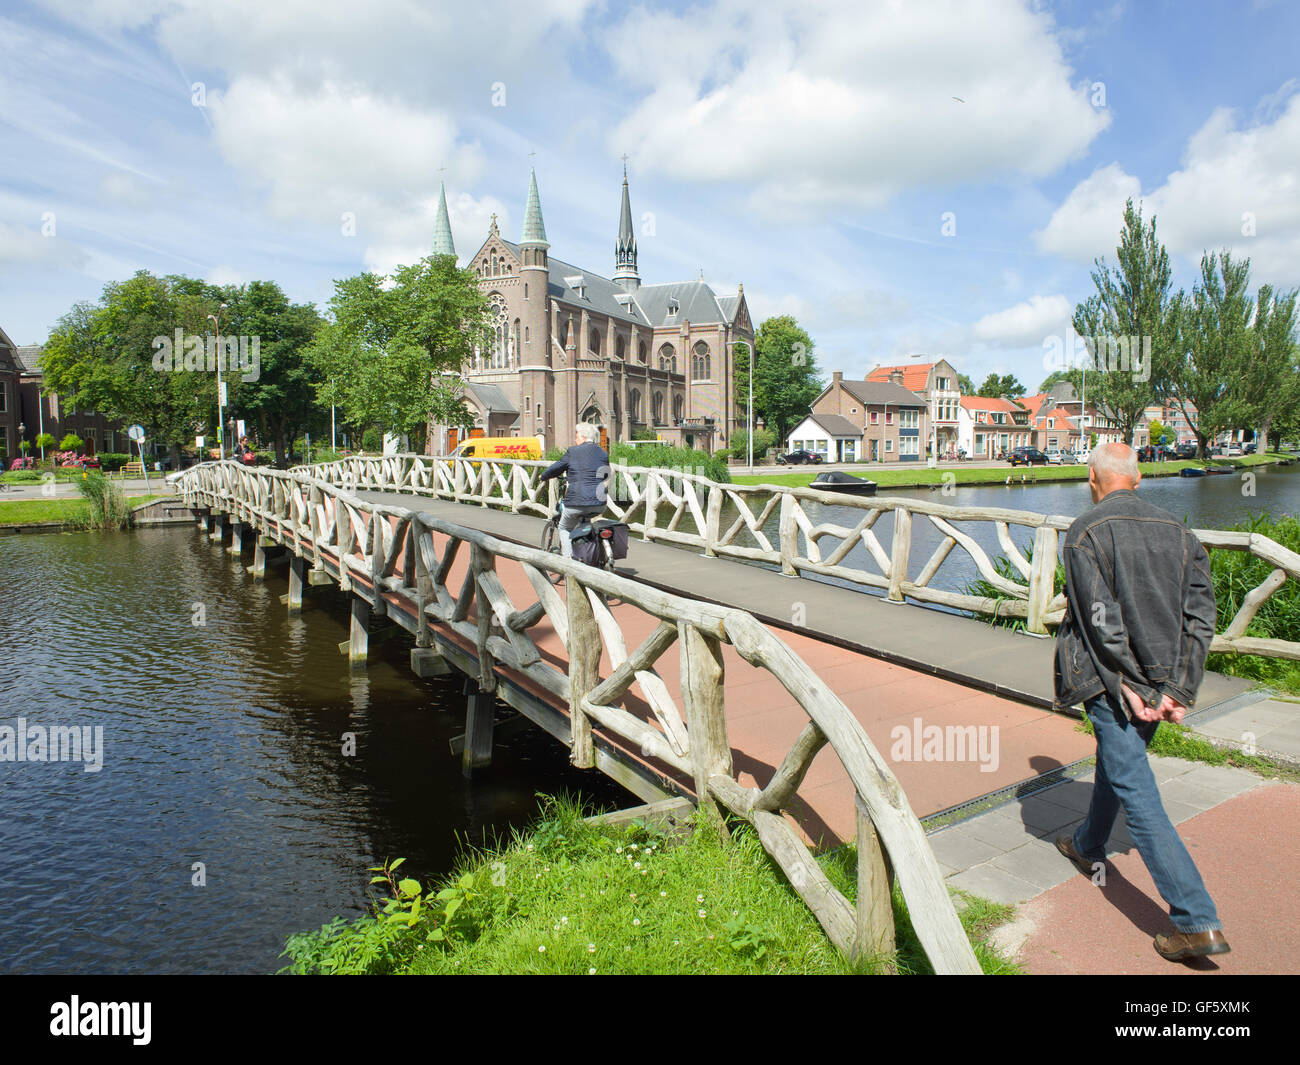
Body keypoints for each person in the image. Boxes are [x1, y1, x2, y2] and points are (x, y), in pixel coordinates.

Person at [1053, 442, 1228, 962]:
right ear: (1139, 479)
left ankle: (1195, 919)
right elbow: (1201, 617)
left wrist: (1131, 684)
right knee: (1120, 764)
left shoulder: (1084, 532)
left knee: (1138, 789)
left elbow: (1101, 618)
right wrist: (1178, 687)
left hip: (1116, 687)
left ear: (1092, 478)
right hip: (1161, 683)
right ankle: (1088, 846)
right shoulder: (1181, 533)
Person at [537, 423, 610, 558]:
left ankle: (568, 562)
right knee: (586, 519)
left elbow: (557, 467)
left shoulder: (573, 451)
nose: (575, 440)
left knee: (564, 527)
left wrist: (543, 476)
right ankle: (587, 554)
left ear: (583, 437)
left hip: (577, 501)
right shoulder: (603, 453)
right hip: (600, 503)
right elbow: (606, 475)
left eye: (576, 437)